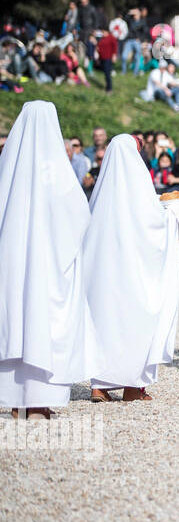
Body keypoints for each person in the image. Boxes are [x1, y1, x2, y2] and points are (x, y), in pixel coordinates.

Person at [0, 101, 101, 418]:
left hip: (14, 258)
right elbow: (76, 212)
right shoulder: (54, 166)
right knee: (42, 320)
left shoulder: (9, 162)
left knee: (17, 318)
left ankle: (16, 402)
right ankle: (38, 402)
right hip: (47, 261)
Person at [85, 134, 179, 402]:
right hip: (134, 273)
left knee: (105, 322)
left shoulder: (102, 191)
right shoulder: (138, 183)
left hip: (106, 275)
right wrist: (172, 214)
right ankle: (131, 387)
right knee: (136, 322)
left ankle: (99, 386)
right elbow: (152, 224)